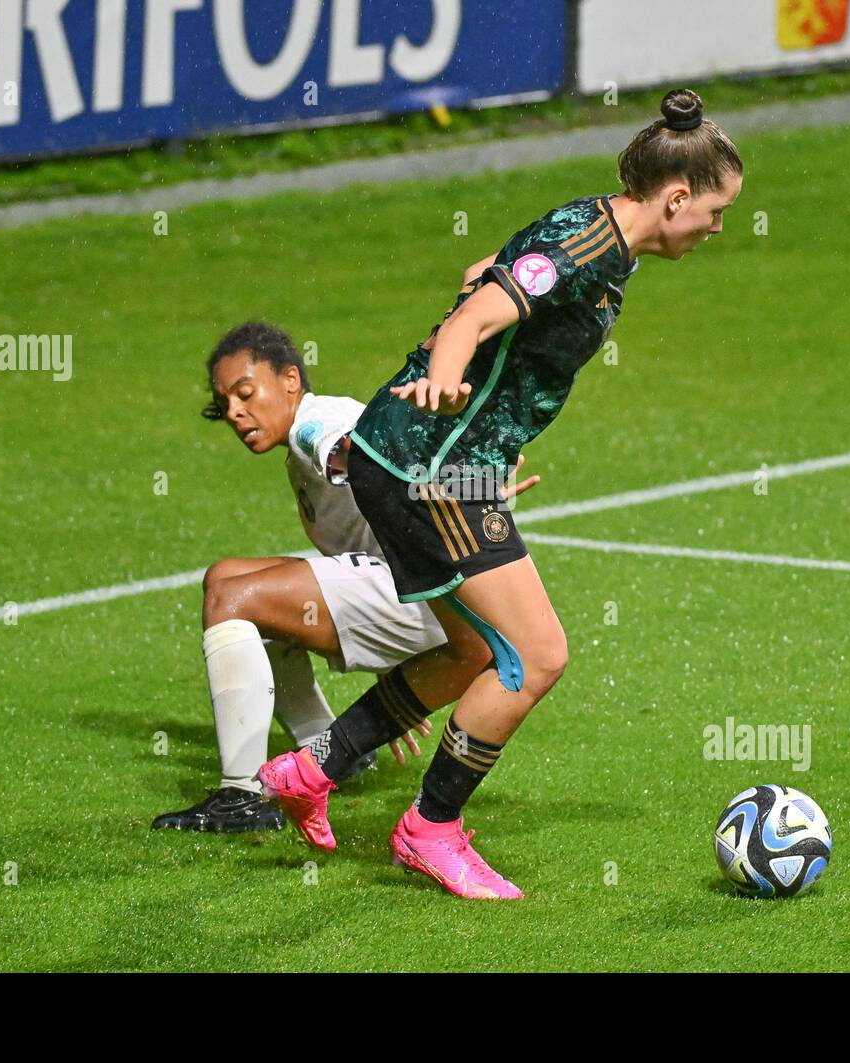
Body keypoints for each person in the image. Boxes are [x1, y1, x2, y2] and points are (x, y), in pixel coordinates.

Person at [257, 89, 743, 899]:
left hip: (441, 460)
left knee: (475, 653)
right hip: (427, 462)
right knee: (537, 654)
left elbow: (483, 271)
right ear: (678, 196)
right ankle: (429, 830)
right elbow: (476, 312)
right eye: (717, 212)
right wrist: (446, 385)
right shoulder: (587, 244)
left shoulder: (596, 237)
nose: (718, 230)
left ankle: (317, 768)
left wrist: (482, 432)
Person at [152, 321, 539, 832]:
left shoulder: (314, 423)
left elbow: (352, 450)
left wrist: (461, 485)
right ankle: (329, 749)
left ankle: (240, 796)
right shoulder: (299, 451)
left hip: (424, 599)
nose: (235, 412)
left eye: (246, 394)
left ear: (290, 379)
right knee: (229, 582)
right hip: (413, 591)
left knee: (233, 595)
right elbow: (394, 486)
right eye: (225, 405)